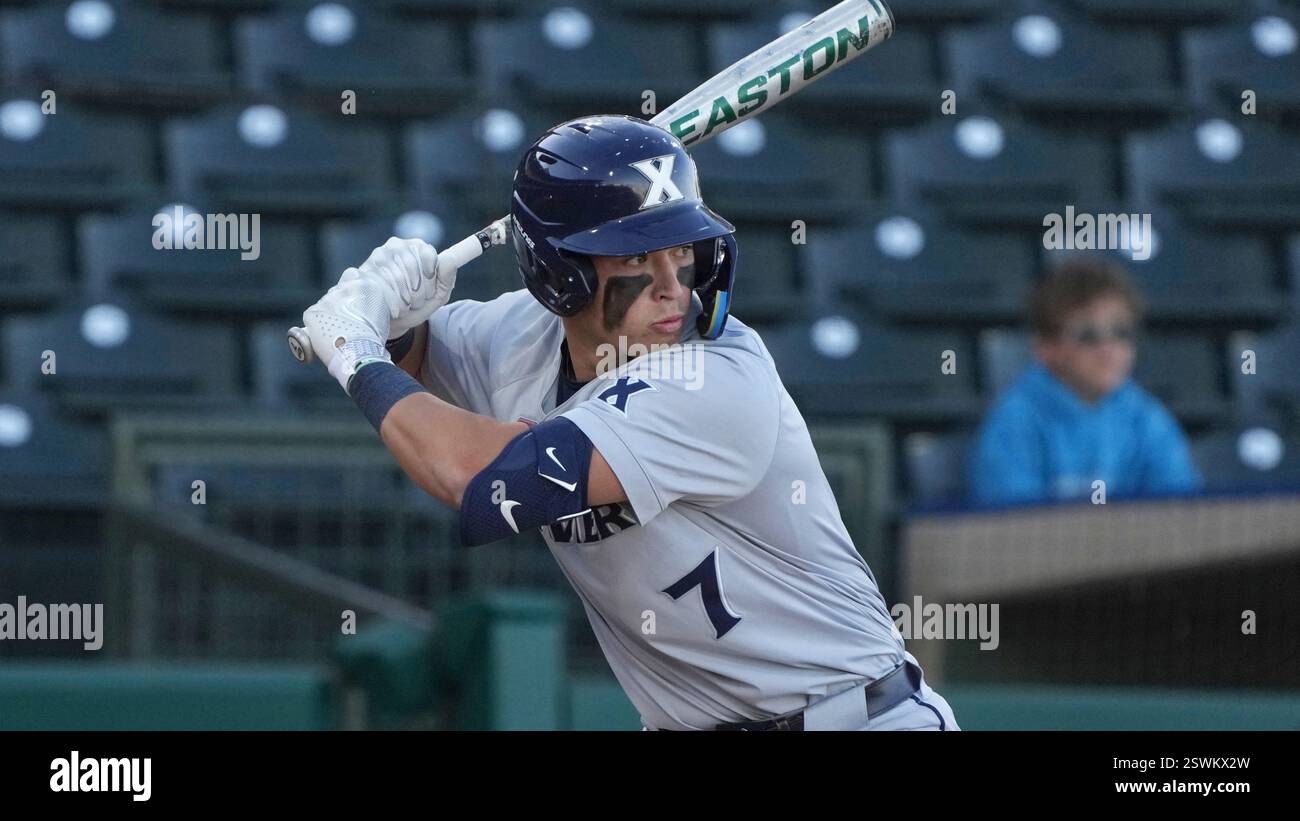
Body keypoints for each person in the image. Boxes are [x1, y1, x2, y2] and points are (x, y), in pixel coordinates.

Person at [300, 115, 957, 731]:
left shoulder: (716, 381)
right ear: (560, 276)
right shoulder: (519, 337)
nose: (674, 285)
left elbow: (480, 477)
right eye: (637, 259)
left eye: (682, 252)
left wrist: (357, 355)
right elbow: (414, 368)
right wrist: (392, 316)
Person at [968, 257, 1202, 506]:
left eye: (1121, 332)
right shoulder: (1015, 420)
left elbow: (1181, 510)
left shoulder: (1145, 415)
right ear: (1046, 349)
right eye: (1088, 336)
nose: (1108, 349)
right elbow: (1010, 528)